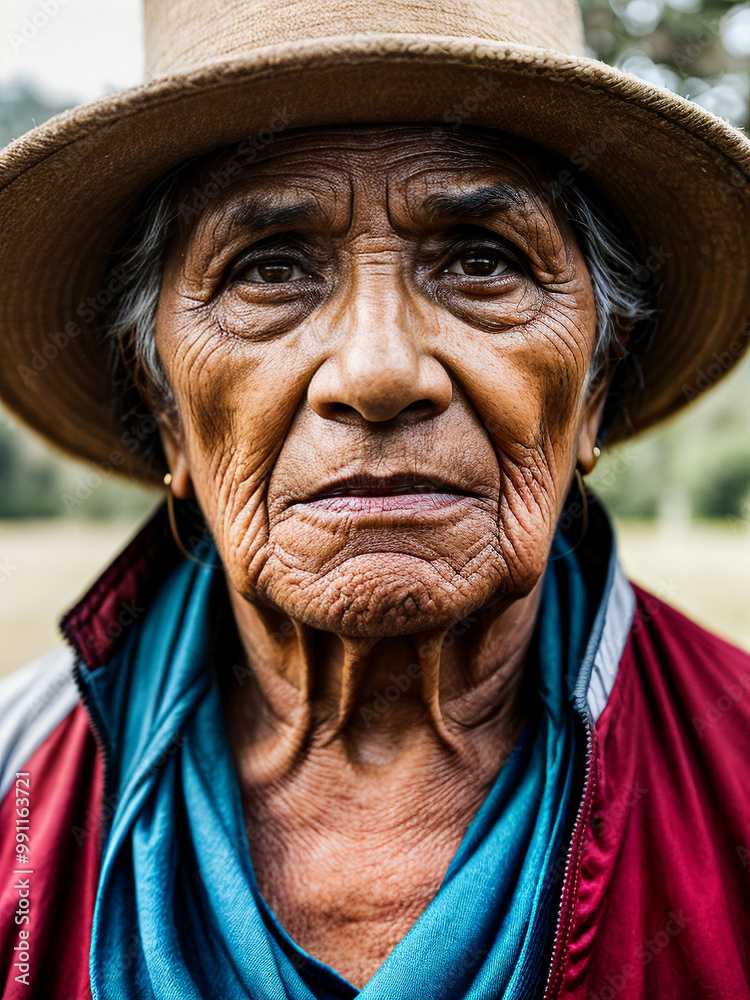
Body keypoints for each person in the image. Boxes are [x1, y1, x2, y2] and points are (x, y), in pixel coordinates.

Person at [1, 0, 749, 998]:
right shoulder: (13, 792)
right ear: (166, 407)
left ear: (594, 385)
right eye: (269, 269)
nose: (380, 370)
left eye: (482, 259)